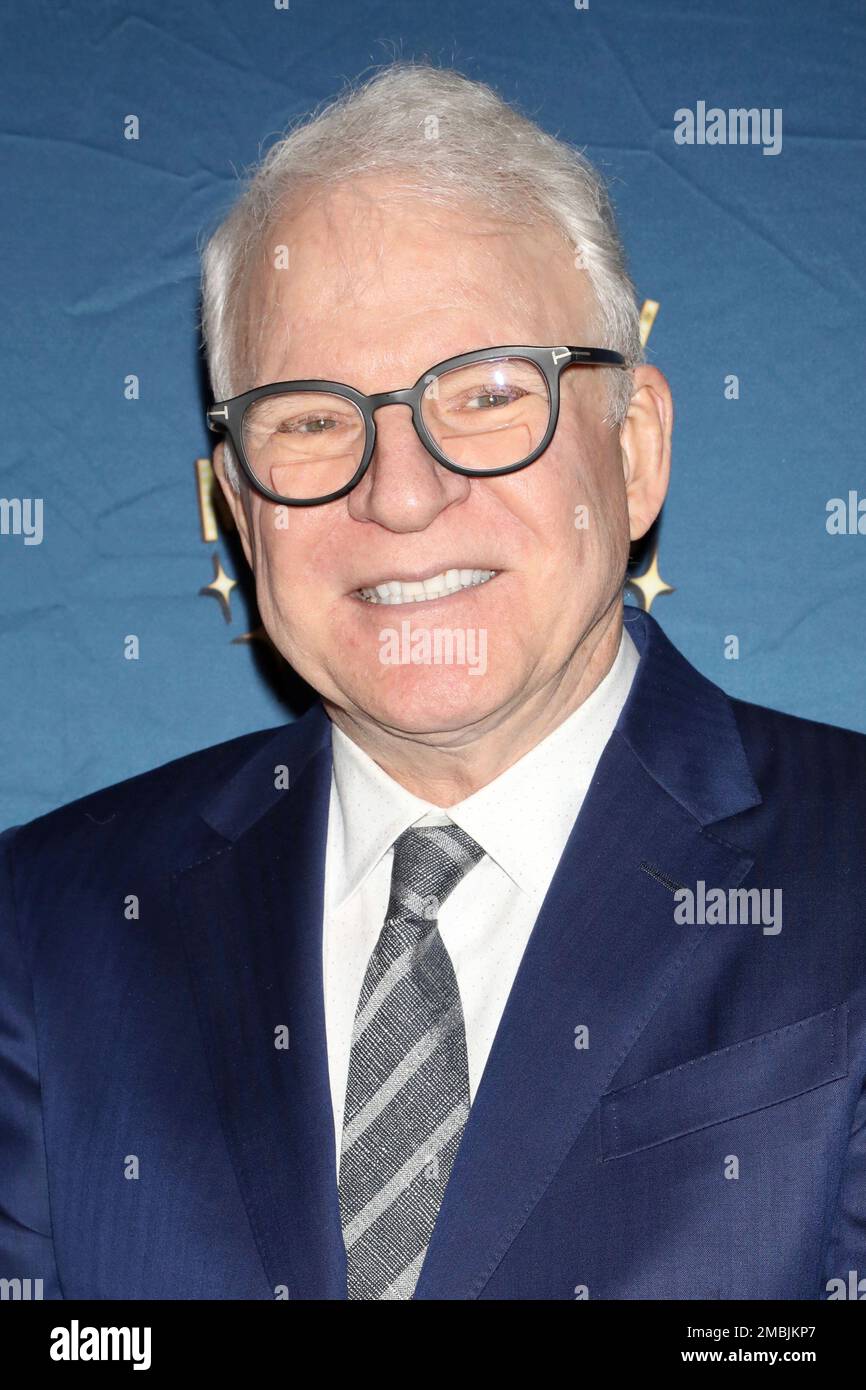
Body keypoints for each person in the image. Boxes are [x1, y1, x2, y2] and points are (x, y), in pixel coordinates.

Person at [1, 61, 864, 1302]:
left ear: (632, 452)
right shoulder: (44, 928)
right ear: (240, 510)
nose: (398, 494)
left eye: (483, 395)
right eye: (307, 418)